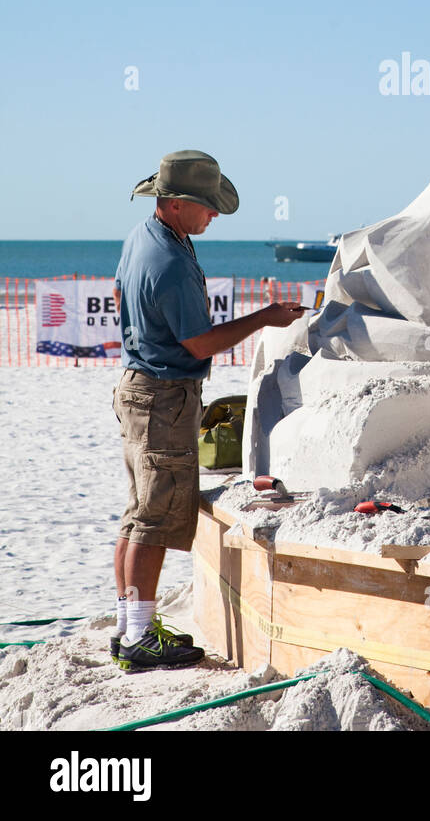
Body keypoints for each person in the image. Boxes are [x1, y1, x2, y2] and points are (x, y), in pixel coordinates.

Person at [111, 149, 303, 672]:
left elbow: (119, 293)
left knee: (137, 516)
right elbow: (199, 343)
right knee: (151, 522)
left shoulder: (145, 237)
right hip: (163, 397)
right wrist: (266, 316)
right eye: (207, 206)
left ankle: (130, 628)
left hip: (139, 388)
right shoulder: (169, 261)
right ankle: (138, 640)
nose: (213, 215)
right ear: (174, 204)